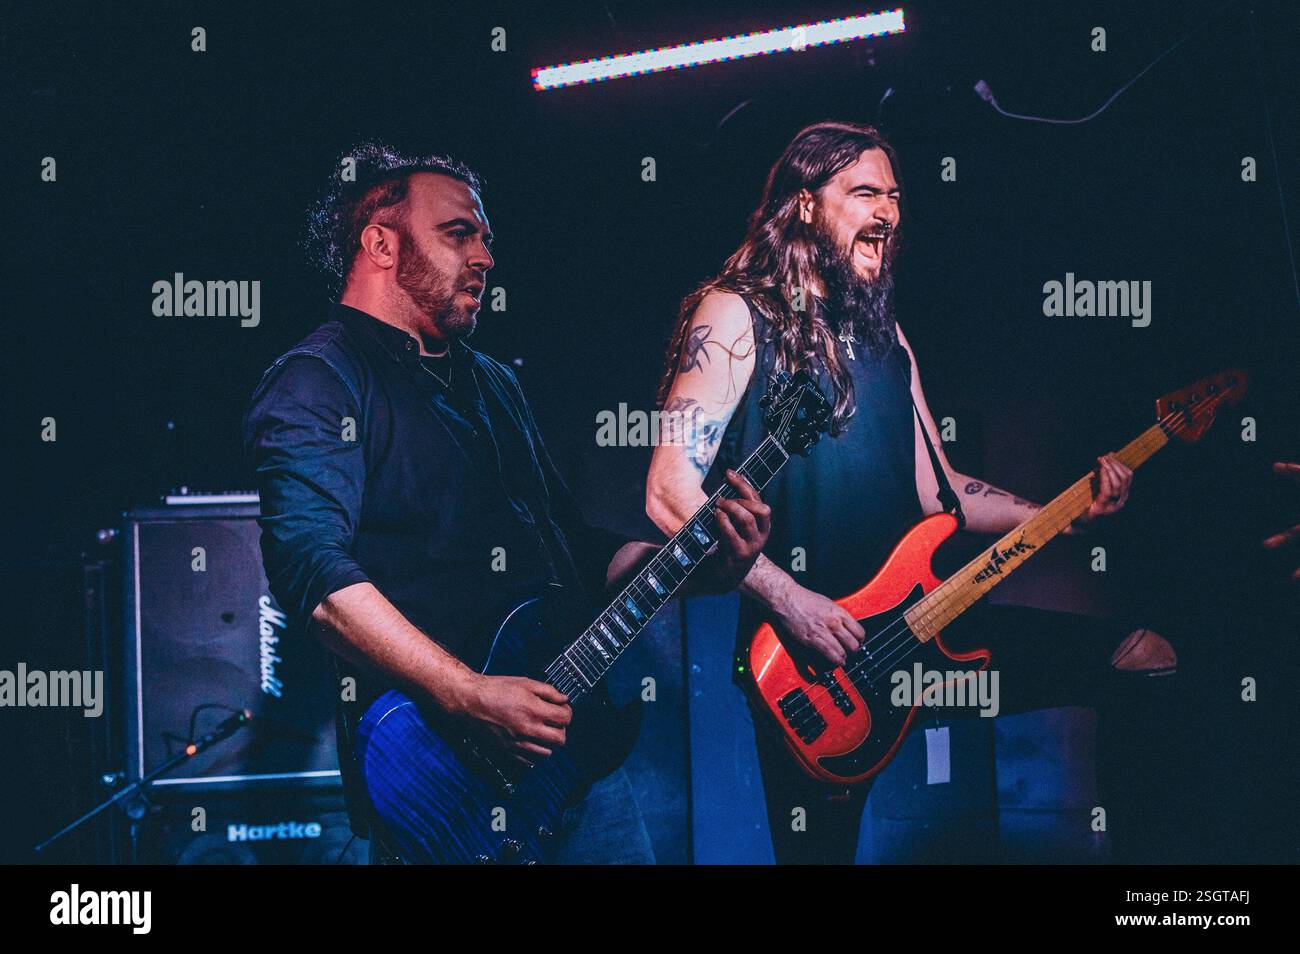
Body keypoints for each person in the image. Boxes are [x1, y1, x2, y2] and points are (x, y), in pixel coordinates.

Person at [646, 121, 1178, 864]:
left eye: (895, 196)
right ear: (804, 207)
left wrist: (1064, 515)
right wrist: (790, 600)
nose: (889, 212)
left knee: (1141, 655)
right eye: (865, 192)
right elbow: (669, 489)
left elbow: (941, 492)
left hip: (925, 627)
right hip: (812, 664)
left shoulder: (886, 337)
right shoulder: (738, 313)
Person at [243, 143, 771, 864]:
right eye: (459, 232)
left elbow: (571, 546)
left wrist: (695, 565)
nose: (485, 255)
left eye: (486, 236)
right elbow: (312, 574)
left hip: (570, 760)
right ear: (380, 244)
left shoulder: (492, 382)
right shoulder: (319, 379)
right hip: (442, 776)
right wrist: (464, 694)